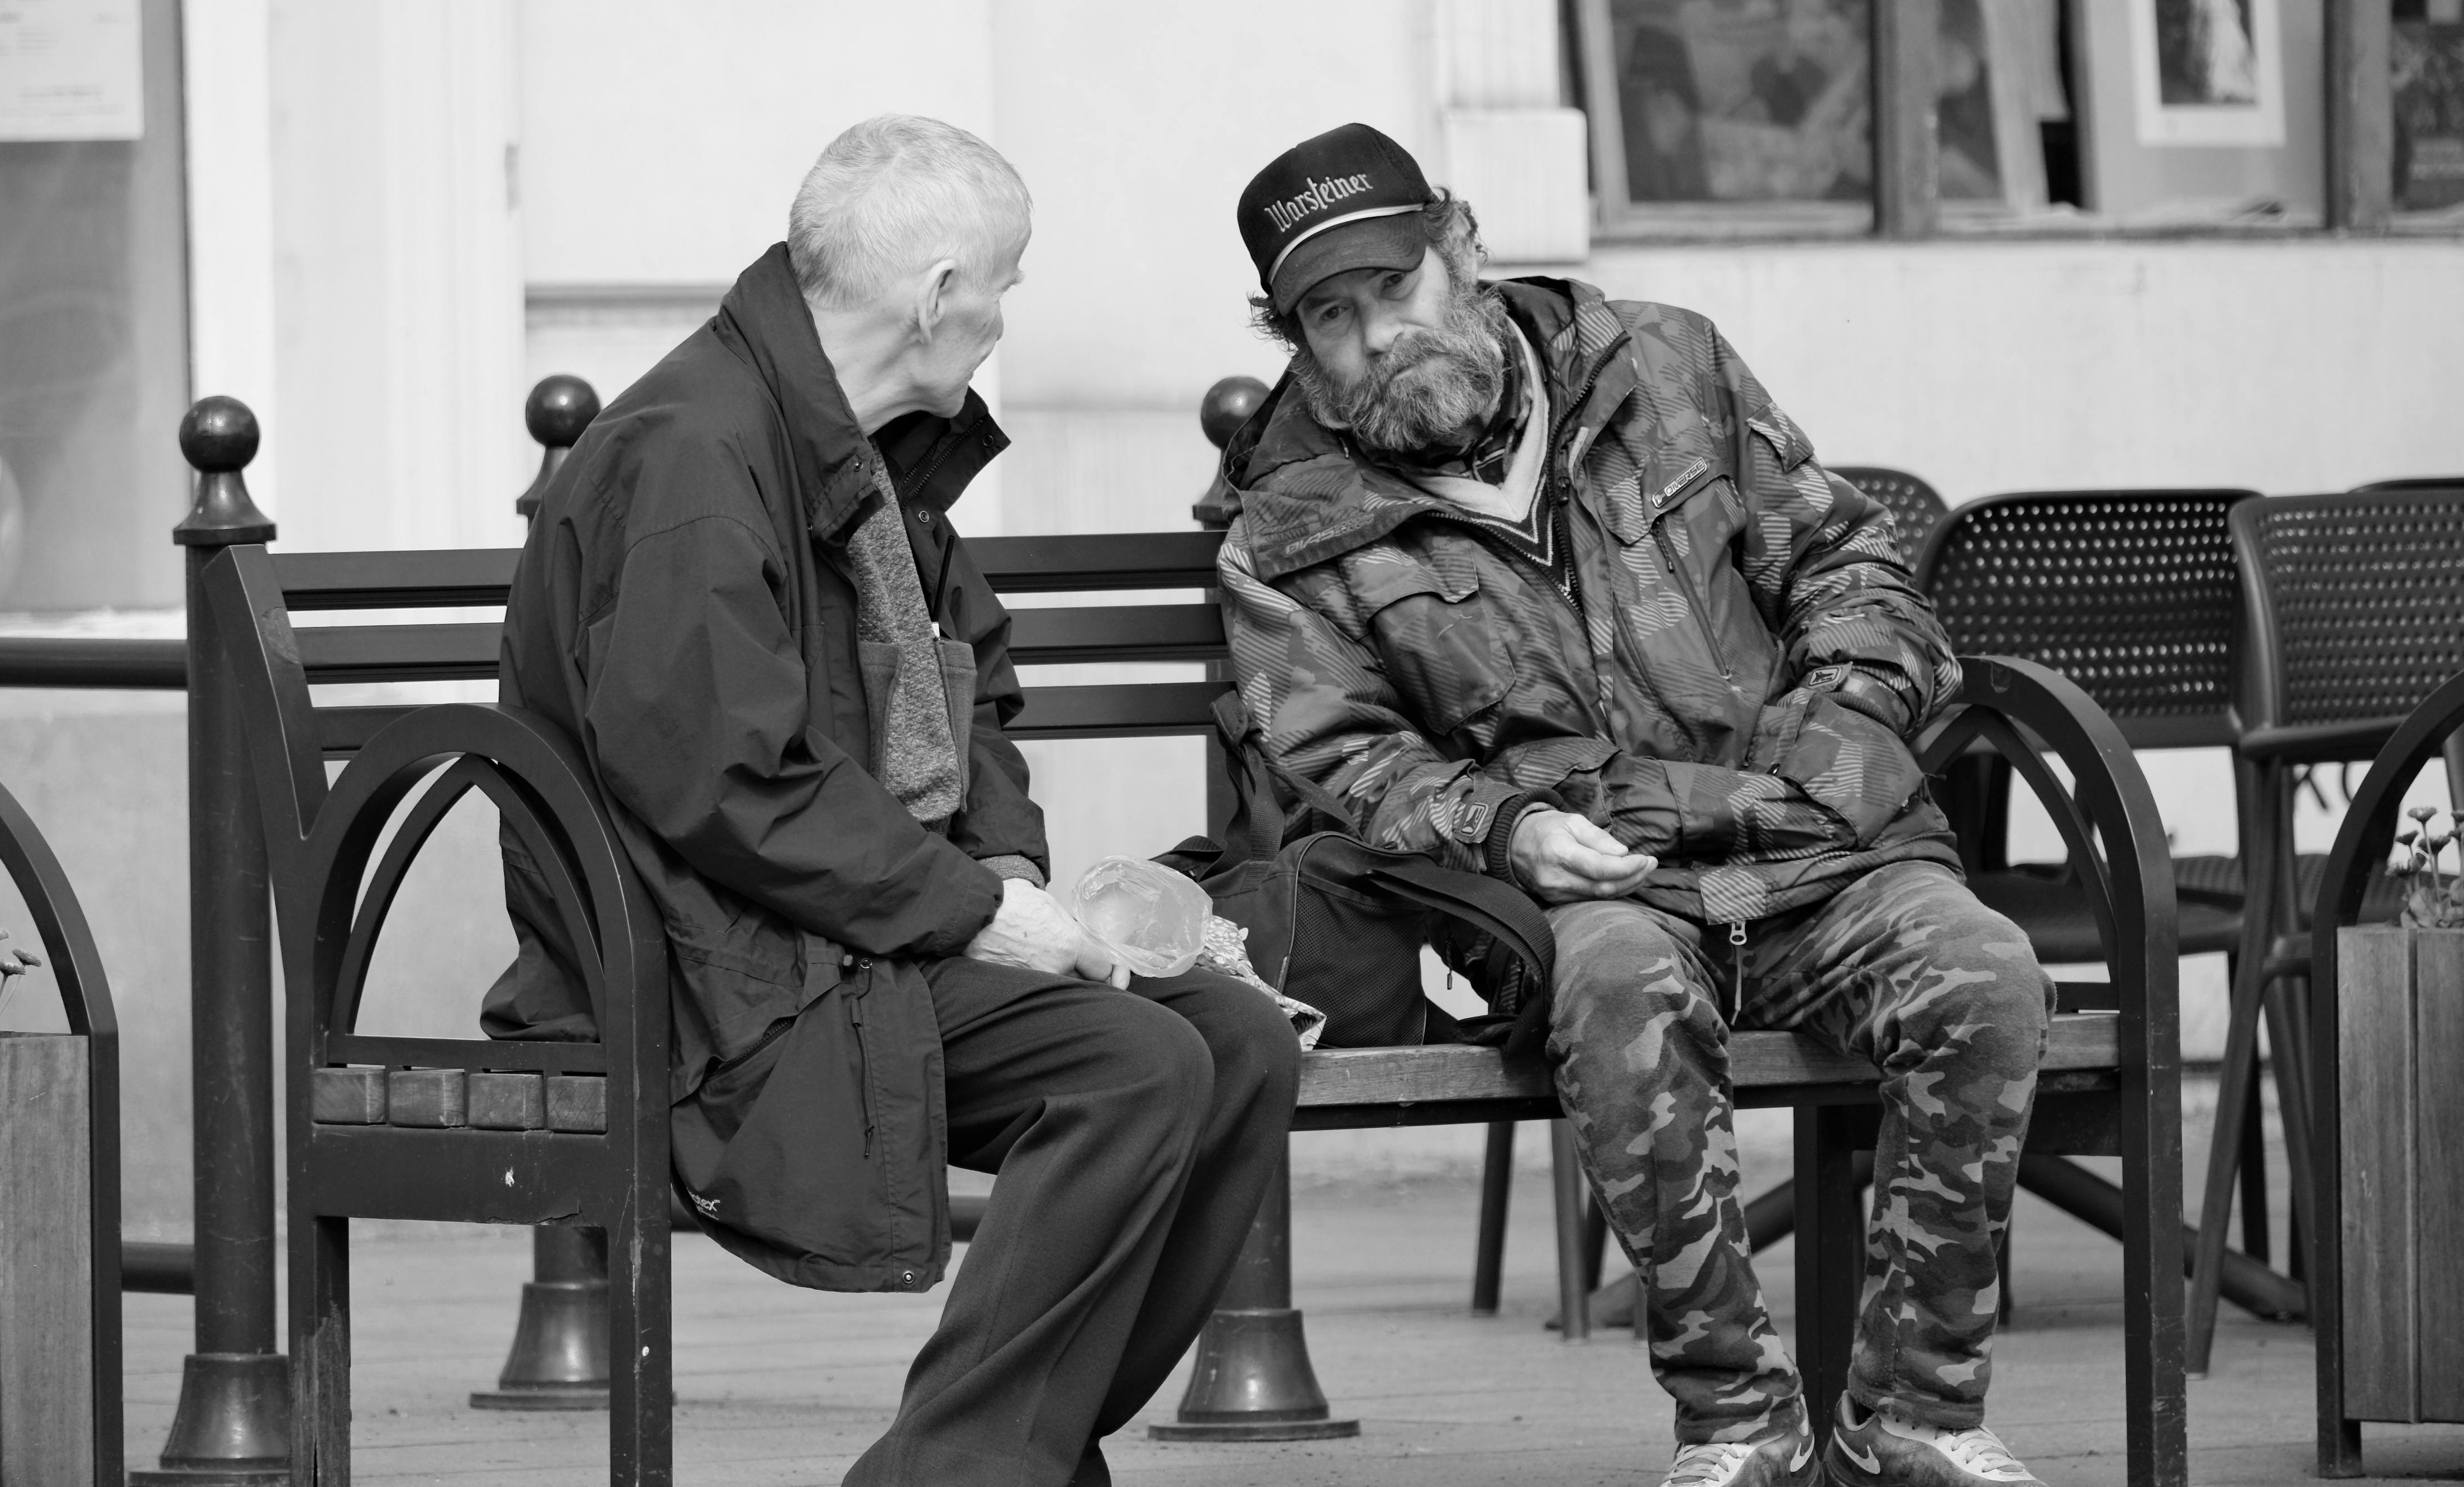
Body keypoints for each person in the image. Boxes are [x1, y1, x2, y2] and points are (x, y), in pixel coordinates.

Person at [1216, 122, 2052, 1487]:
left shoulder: (1663, 362)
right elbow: (1348, 759)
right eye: (1329, 314)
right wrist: (1505, 830)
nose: (1375, 338)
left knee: (1987, 970)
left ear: (1464, 250)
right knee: (1614, 996)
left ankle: (1916, 1410)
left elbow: (1852, 569)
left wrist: (1834, 756)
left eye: (1394, 285)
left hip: (1822, 854)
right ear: (1293, 339)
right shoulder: (1291, 527)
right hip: (1604, 889)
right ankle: (1736, 1418)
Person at [488, 113, 1298, 1487]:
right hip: (712, 964)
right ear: (937, 295)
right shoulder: (692, 457)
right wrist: (980, 913)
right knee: (1136, 1062)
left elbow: (966, 688)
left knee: (1235, 1037)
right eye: (1005, 286)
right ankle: (968, 1466)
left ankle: (1006, 1446)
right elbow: (725, 785)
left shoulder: (851, 444)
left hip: (841, 927)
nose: (1001, 321)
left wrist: (1016, 878)